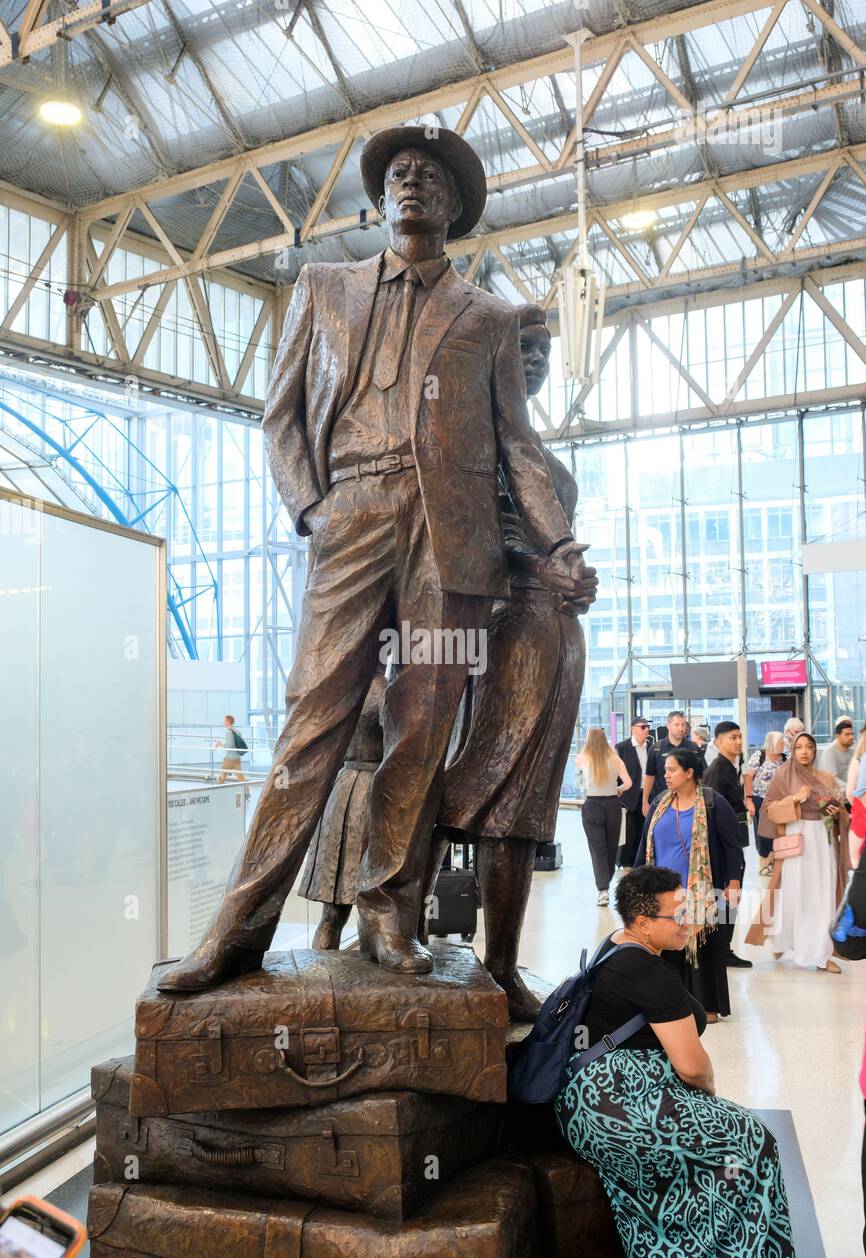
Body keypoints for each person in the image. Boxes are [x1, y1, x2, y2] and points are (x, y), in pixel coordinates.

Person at [157, 125, 592, 993]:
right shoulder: (322, 288)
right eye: (399, 174)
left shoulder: (492, 319)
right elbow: (279, 418)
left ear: (456, 205)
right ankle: (237, 930)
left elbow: (521, 450)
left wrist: (560, 542)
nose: (412, 183)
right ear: (379, 198)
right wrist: (312, 508)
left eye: (430, 175)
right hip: (350, 518)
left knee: (421, 731)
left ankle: (391, 915)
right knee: (312, 720)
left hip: (450, 543)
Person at [430, 303, 595, 1019]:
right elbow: (464, 543)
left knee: (523, 811)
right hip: (491, 631)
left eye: (543, 354)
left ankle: (500, 963)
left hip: (552, 637)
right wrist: (540, 567)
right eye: (521, 347)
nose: (533, 360)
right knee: (466, 782)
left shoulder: (551, 470)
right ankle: (394, 926)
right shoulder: (465, 445)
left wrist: (571, 582)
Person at [555, 865, 801, 1258]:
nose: (690, 921)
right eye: (678, 914)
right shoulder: (651, 974)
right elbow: (691, 1067)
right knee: (753, 1142)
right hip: (621, 1105)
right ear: (643, 922)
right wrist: (707, 1099)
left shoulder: (615, 946)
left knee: (733, 1140)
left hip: (589, 1102)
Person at [635, 746, 742, 1022]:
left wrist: (733, 881)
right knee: (667, 950)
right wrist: (636, 885)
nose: (666, 775)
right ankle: (671, 1002)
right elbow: (644, 845)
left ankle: (706, 1005)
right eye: (665, 770)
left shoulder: (712, 803)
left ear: (689, 772)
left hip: (702, 892)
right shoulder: (660, 802)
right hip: (663, 894)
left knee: (703, 951)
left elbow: (732, 847)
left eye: (671, 770)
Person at [747, 732, 850, 972]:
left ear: (815, 751)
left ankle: (822, 954)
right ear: (792, 751)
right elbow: (769, 808)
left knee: (822, 896)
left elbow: (840, 813)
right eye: (799, 747)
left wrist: (835, 814)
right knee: (794, 894)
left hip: (822, 844)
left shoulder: (826, 778)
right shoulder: (784, 774)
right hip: (795, 841)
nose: (804, 751)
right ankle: (784, 939)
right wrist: (795, 798)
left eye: (809, 747)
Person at [298, 671, 387, 949]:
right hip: (375, 793)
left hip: (340, 791)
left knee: (331, 917)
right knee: (376, 913)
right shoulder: (385, 691)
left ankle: (320, 985)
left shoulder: (340, 687)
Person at [702, 720, 751, 969]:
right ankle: (720, 950)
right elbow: (711, 815)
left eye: (740, 737)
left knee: (729, 901)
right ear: (718, 741)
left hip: (732, 847)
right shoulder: (717, 772)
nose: (739, 741)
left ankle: (724, 948)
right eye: (733, 737)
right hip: (722, 851)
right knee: (726, 898)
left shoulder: (731, 767)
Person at [576, 728, 632, 906]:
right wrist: (618, 790)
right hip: (612, 805)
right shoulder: (615, 759)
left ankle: (603, 890)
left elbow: (580, 786)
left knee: (597, 849)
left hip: (592, 805)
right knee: (610, 848)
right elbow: (628, 783)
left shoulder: (582, 759)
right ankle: (605, 885)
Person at [642, 710, 703, 815]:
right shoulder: (656, 749)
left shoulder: (693, 749)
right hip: (662, 802)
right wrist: (645, 801)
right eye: (677, 724)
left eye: (683, 724)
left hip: (689, 804)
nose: (681, 728)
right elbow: (649, 776)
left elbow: (701, 776)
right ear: (668, 726)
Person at [744, 731, 786, 874]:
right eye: (780, 742)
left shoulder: (785, 759)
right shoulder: (759, 756)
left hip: (779, 802)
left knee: (778, 833)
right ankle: (765, 864)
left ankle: (776, 864)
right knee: (763, 834)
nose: (783, 744)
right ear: (771, 743)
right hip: (760, 800)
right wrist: (748, 799)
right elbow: (748, 778)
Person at [615, 717, 651, 872]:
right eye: (642, 727)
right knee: (629, 832)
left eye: (647, 726)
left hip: (648, 795)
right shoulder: (623, 747)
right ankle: (626, 863)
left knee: (645, 830)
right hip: (629, 796)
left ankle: (642, 862)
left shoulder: (651, 748)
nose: (646, 729)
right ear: (633, 729)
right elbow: (616, 773)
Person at [845, 723, 866, 865]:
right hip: (861, 817)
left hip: (860, 817)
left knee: (857, 863)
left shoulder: (857, 761)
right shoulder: (858, 761)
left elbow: (850, 792)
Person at [818, 716, 855, 795]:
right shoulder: (829, 752)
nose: (851, 737)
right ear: (837, 736)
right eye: (847, 734)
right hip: (833, 799)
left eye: (852, 734)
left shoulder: (852, 750)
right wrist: (853, 790)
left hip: (850, 795)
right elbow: (833, 779)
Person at [216, 715, 247, 784]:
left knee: (222, 776)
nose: (223, 722)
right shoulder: (237, 731)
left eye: (224, 721)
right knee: (240, 776)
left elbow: (230, 745)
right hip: (237, 757)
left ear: (228, 722)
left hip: (229, 758)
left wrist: (220, 744)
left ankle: (217, 789)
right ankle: (246, 790)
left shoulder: (229, 732)